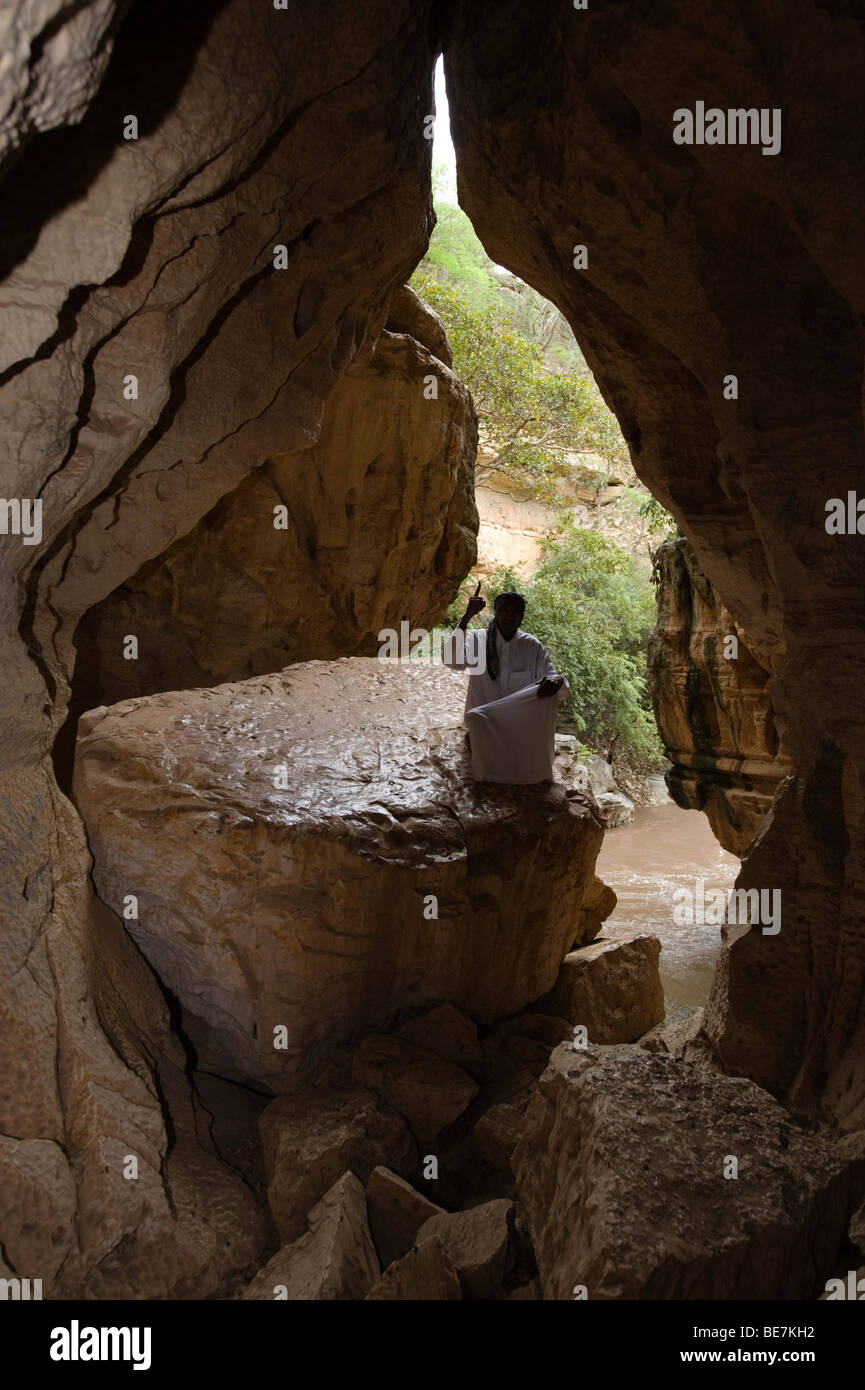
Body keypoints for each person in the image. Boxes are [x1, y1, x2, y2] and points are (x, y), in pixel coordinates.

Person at [442, 585, 569, 784]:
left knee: (549, 694)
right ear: (497, 612)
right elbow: (451, 660)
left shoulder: (532, 646)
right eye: (505, 610)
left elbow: (554, 679)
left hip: (517, 727)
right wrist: (466, 618)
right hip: (483, 725)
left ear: (522, 616)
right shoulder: (477, 639)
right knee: (487, 773)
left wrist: (557, 681)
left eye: (515, 612)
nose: (509, 616)